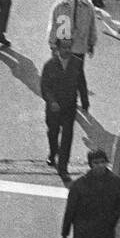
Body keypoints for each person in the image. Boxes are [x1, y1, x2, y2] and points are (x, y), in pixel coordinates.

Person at [46, 0, 96, 114]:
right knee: (63, 75)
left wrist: (91, 42)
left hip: (79, 45)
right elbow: (54, 25)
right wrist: (53, 44)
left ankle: (84, 102)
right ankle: (67, 101)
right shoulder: (61, 5)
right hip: (64, 46)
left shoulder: (87, 5)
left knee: (78, 74)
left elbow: (92, 25)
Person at [40, 38, 82, 177]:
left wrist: (85, 101)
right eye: (64, 47)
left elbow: (81, 82)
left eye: (69, 47)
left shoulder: (77, 63)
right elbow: (45, 87)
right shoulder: (49, 65)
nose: (67, 50)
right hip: (54, 108)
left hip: (69, 106)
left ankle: (63, 167)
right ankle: (53, 153)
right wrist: (51, 101)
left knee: (67, 136)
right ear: (58, 49)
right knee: (53, 132)